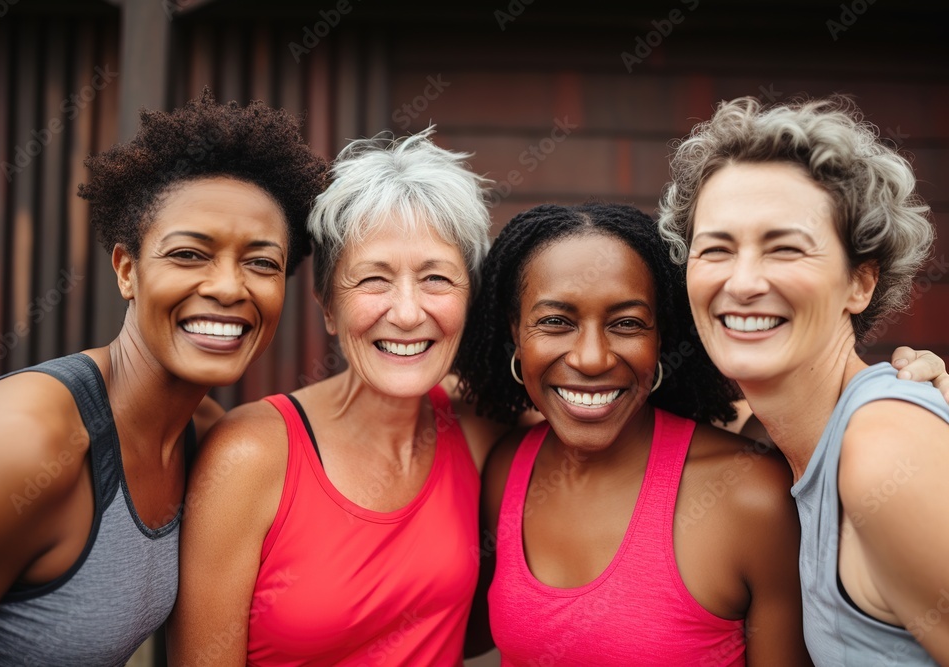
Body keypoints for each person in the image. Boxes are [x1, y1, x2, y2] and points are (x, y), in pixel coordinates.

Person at [0, 89, 328, 666]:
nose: (229, 287)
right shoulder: (19, 441)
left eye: (261, 262)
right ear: (127, 269)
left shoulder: (206, 435)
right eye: (189, 254)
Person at [169, 126, 510, 665]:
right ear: (328, 305)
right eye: (373, 279)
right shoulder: (251, 456)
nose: (405, 312)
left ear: (470, 301)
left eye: (436, 279)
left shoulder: (477, 432)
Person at [657, 95, 949, 664]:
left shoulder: (882, 452)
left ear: (860, 284)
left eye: (785, 248)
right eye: (715, 248)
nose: (742, 282)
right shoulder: (769, 433)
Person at [457, 201, 816, 665]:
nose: (592, 358)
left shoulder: (751, 495)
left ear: (660, 338)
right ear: (515, 333)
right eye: (555, 322)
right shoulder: (507, 469)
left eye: (627, 323)